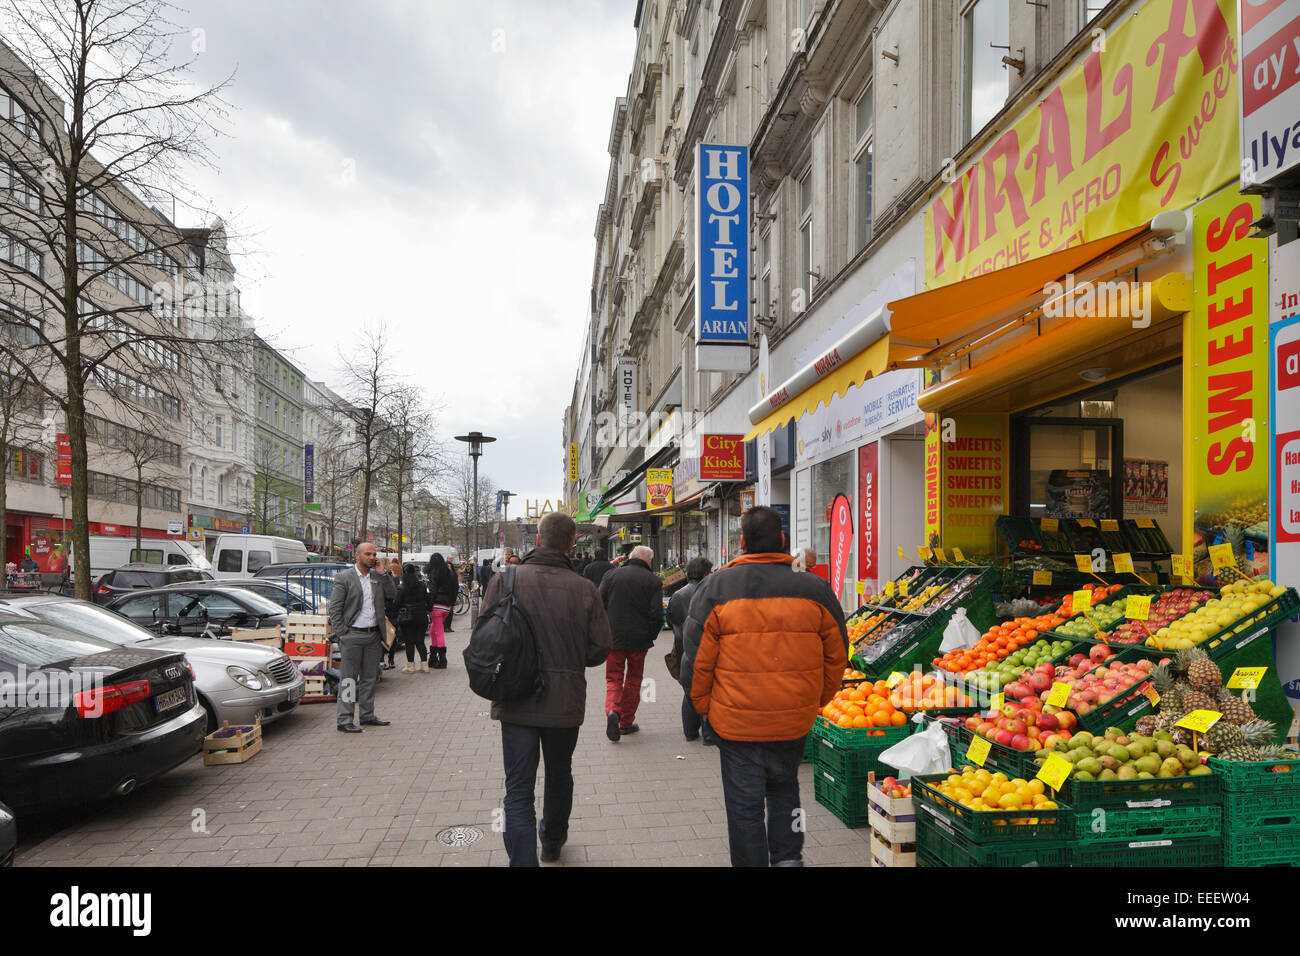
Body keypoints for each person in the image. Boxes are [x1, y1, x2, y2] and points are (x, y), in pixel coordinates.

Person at [682, 506, 848, 867]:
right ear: (783, 541)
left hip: (736, 725)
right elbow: (838, 655)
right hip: (793, 721)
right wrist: (817, 699)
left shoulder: (716, 588)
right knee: (786, 792)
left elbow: (695, 662)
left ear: (742, 542)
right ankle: (788, 860)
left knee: (744, 808)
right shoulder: (814, 588)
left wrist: (703, 707)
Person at [482, 511, 612, 866]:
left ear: (537, 540)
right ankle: (552, 840)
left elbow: (485, 635)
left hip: (515, 697)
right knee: (559, 773)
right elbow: (600, 647)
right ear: (572, 545)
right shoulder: (584, 589)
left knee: (518, 789)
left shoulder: (505, 580)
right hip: (564, 700)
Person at [328, 543, 398, 733]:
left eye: (374, 554)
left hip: (373, 635)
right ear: (357, 556)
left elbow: (392, 595)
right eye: (368, 554)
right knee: (349, 679)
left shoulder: (377, 577)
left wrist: (384, 574)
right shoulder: (345, 578)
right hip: (353, 635)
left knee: (369, 678)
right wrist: (342, 632)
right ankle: (345, 719)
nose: (372, 557)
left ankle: (367, 715)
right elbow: (334, 608)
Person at [598, 544, 664, 741]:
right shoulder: (653, 581)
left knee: (613, 678)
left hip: (614, 638)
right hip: (639, 640)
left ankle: (612, 711)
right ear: (648, 561)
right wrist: (649, 636)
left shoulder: (611, 575)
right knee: (634, 680)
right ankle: (625, 722)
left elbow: (598, 602)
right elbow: (656, 615)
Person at [667, 556, 713, 743]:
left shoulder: (677, 595)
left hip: (682, 648)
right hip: (705, 648)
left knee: (689, 690)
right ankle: (709, 734)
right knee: (708, 690)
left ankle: (690, 731)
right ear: (706, 573)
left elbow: (670, 620)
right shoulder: (710, 593)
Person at [391, 563, 431, 673]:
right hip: (422, 616)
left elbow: (397, 603)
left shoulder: (402, 587)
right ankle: (424, 665)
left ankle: (410, 666)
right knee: (420, 641)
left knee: (409, 642)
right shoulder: (422, 585)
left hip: (408, 618)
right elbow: (428, 600)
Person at [425, 552, 458, 669]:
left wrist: (429, 606)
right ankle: (433, 658)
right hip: (447, 606)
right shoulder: (449, 573)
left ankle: (442, 659)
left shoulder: (434, 573)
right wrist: (452, 603)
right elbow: (455, 588)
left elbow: (432, 591)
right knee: (434, 630)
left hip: (437, 606)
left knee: (438, 631)